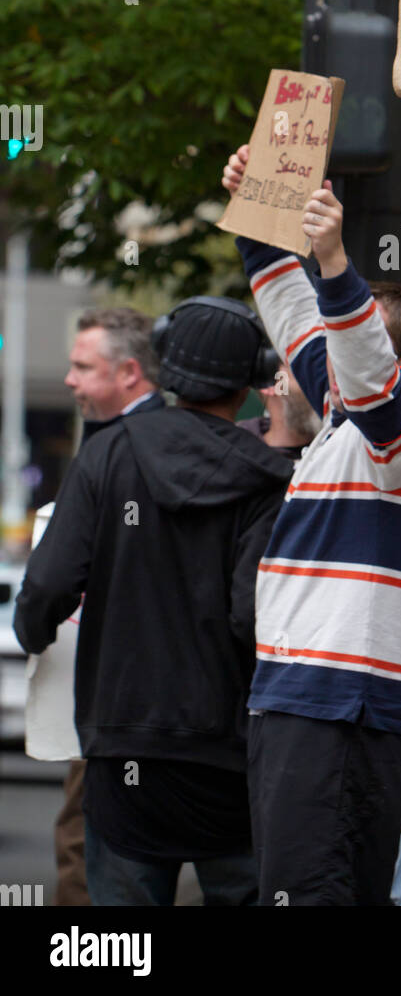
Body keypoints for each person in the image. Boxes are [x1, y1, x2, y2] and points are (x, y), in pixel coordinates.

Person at [15, 297, 292, 906]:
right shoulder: (269, 477)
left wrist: (34, 633)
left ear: (163, 364)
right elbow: (252, 616)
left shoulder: (108, 453)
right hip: (229, 753)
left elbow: (50, 583)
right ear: (251, 375)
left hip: (122, 752)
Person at [221, 146, 401, 906]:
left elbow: (367, 372)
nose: (330, 359)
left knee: (316, 893)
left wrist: (335, 259)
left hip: (343, 704)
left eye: (359, 344)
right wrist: (259, 206)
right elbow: (289, 311)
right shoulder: (343, 417)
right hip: (300, 698)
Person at [52, 308, 164, 906]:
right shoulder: (150, 443)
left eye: (81, 366)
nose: (69, 379)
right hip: (187, 715)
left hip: (117, 710)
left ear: (128, 373)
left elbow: (52, 581)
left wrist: (34, 620)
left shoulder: (111, 455)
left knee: (94, 851)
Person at [236, 364, 321, 461]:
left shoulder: (334, 451)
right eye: (304, 370)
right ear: (269, 385)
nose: (320, 383)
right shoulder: (235, 459)